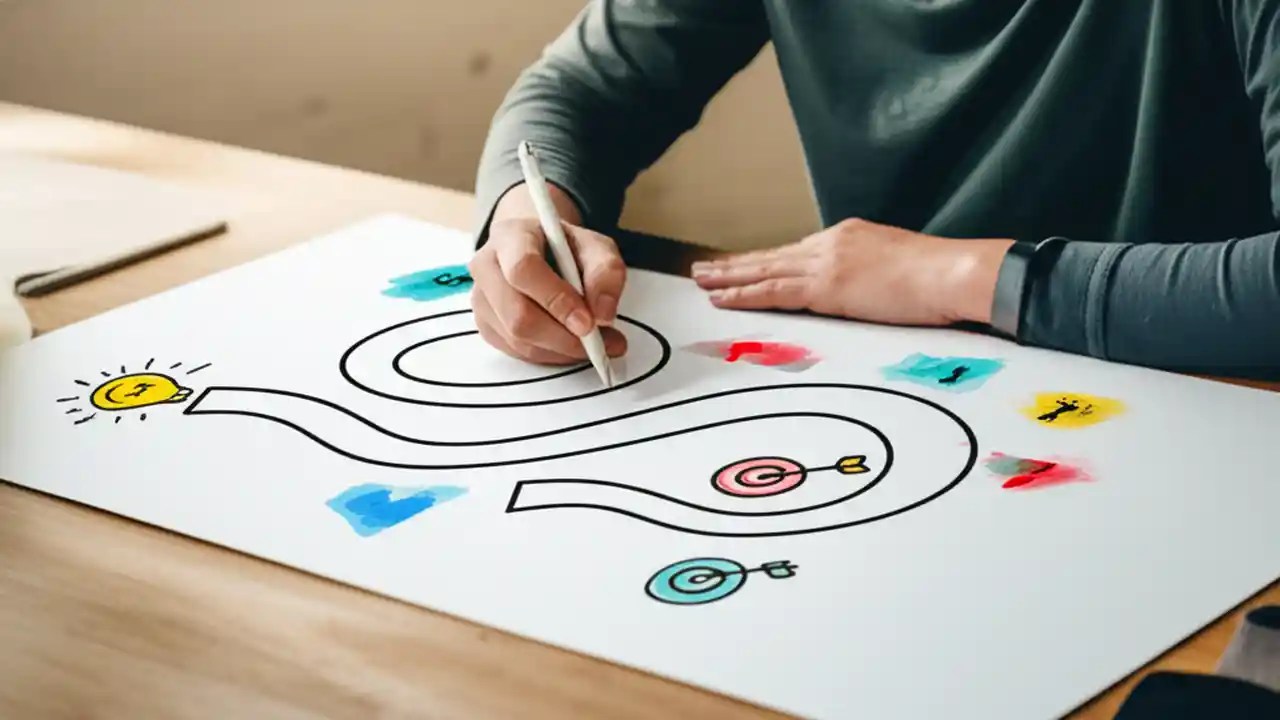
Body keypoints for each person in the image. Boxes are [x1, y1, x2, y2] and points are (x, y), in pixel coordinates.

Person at [467, 1, 1280, 378]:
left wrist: (961, 276)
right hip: (930, 394)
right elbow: (580, 91)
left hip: (1213, 403)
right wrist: (525, 214)